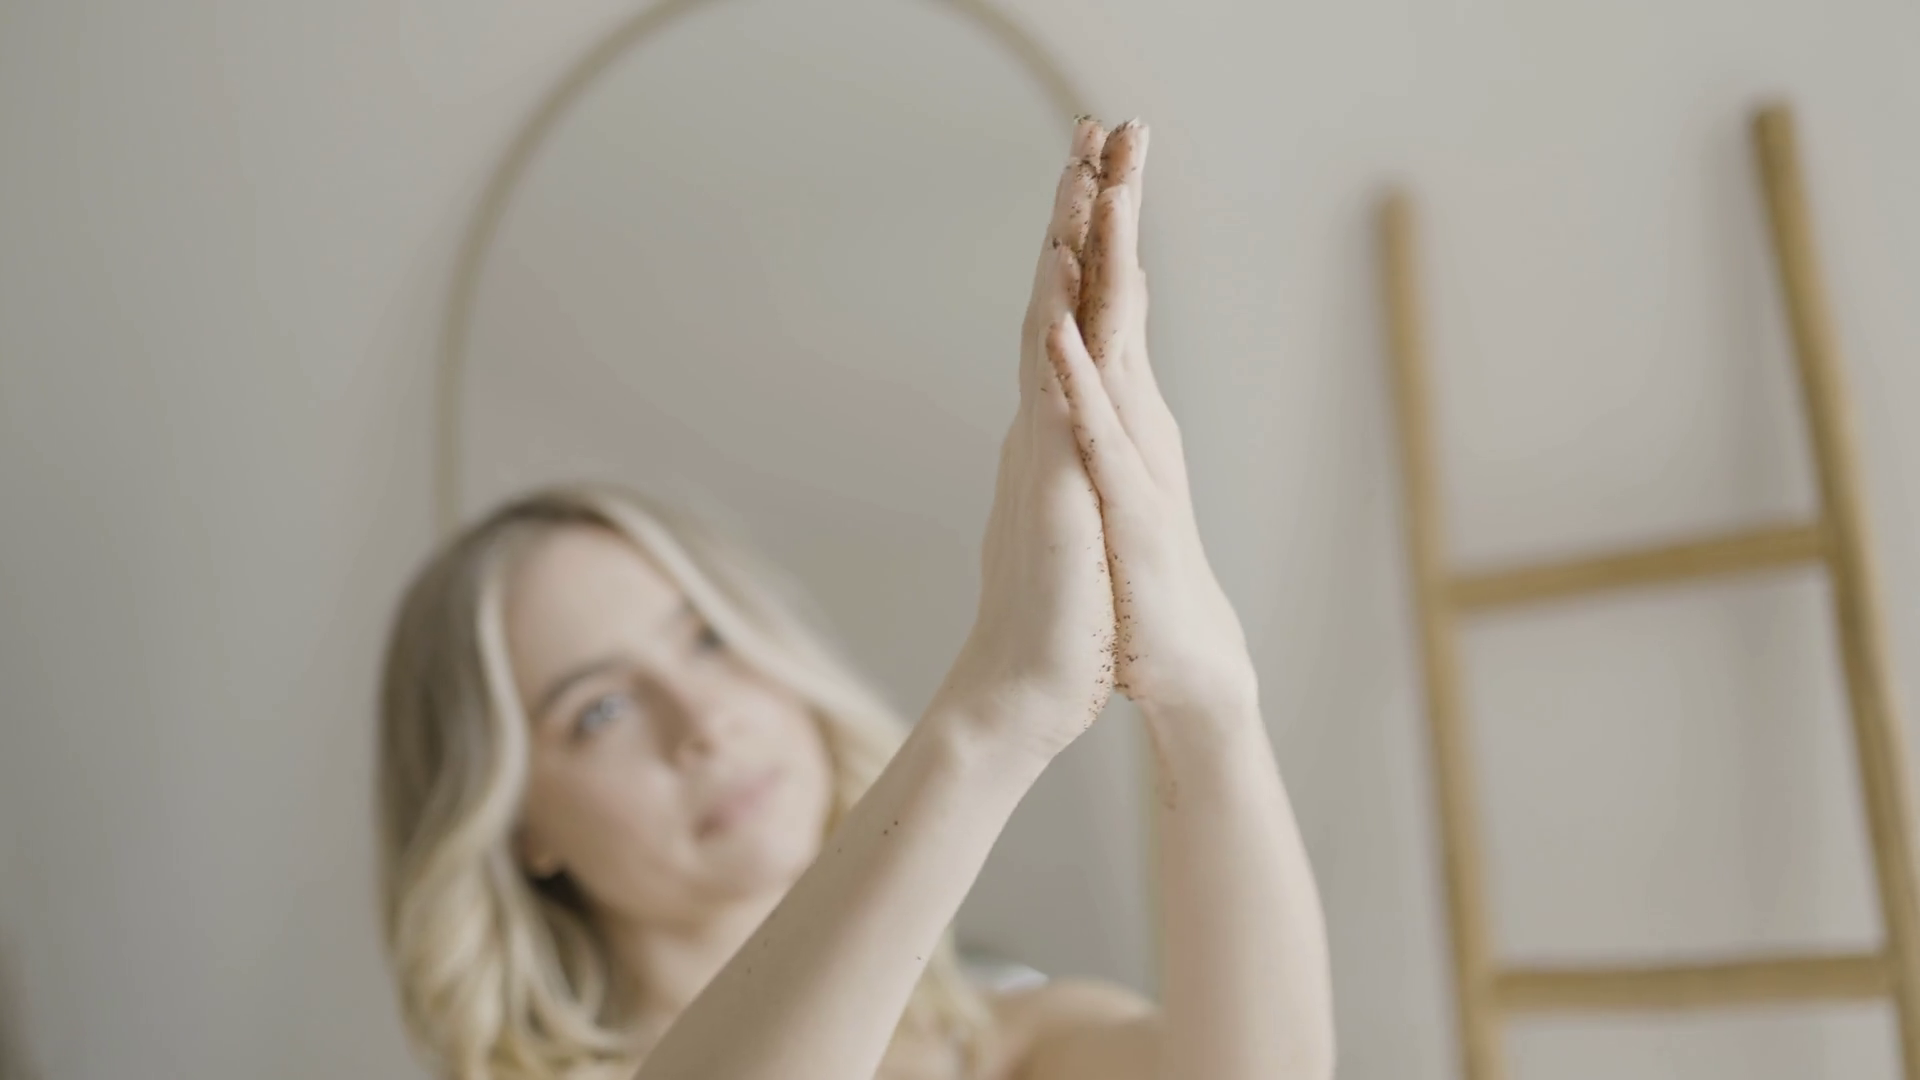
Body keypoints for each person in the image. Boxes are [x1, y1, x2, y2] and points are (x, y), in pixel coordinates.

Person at [375, 117, 1333, 1080]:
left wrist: (1209, 705)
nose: (699, 722)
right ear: (513, 824)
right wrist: (994, 713)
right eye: (600, 710)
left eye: (706, 639)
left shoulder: (1013, 1044)